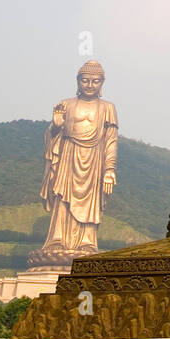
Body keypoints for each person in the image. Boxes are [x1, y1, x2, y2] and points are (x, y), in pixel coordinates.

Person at [35, 59, 117, 262]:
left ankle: (87, 242)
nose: (90, 85)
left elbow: (111, 141)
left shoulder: (107, 108)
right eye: (85, 80)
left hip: (94, 160)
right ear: (78, 81)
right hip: (68, 156)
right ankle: (57, 240)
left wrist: (109, 169)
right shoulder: (67, 104)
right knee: (63, 197)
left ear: (102, 83)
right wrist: (55, 126)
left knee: (91, 201)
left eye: (95, 81)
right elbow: (52, 137)